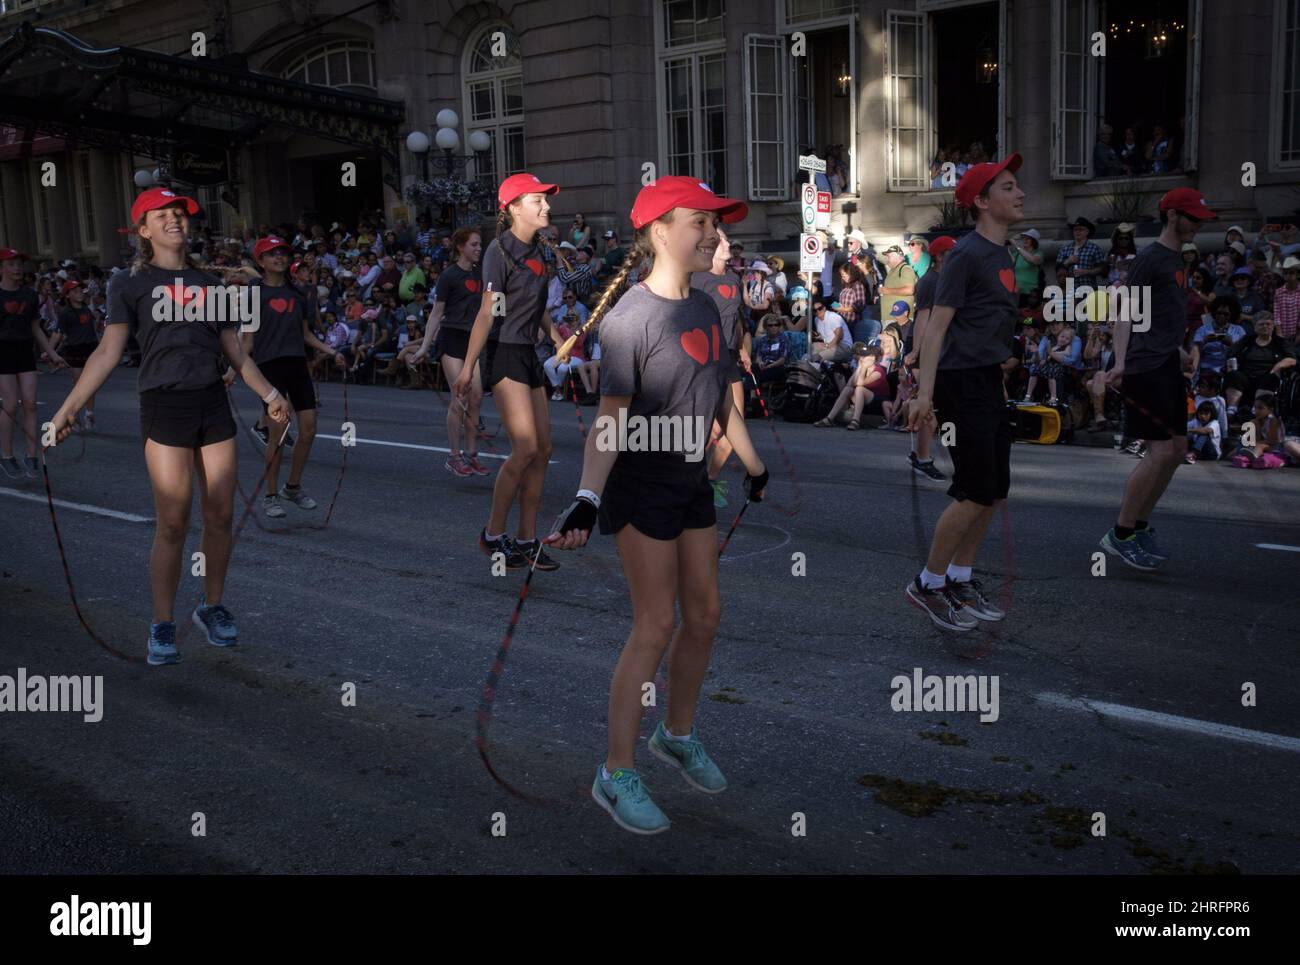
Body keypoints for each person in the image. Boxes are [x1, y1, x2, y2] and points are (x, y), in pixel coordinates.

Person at [542, 175, 767, 835]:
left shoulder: (706, 308)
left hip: (690, 479)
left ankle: (675, 733)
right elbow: (609, 424)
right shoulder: (628, 321)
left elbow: (721, 396)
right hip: (639, 484)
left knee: (706, 612)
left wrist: (748, 462)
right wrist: (586, 498)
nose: (715, 235)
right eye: (702, 222)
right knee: (655, 624)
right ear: (660, 230)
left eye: (716, 224)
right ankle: (615, 771)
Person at [48, 187, 290, 665]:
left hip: (211, 405)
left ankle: (212, 606)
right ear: (144, 229)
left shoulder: (211, 283)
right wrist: (67, 408)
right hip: (163, 405)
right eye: (163, 215)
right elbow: (107, 352)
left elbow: (235, 351)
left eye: (179, 213)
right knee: (175, 522)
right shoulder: (128, 283)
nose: (175, 219)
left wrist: (270, 394)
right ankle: (161, 622)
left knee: (219, 515)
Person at [907, 152, 1024, 631]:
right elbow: (935, 328)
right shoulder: (965, 255)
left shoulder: (1003, 253)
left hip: (986, 378)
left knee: (995, 490)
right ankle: (928, 584)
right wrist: (924, 395)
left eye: (1017, 186)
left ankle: (959, 577)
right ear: (981, 201)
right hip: (958, 380)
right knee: (974, 490)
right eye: (1008, 188)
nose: (1019, 194)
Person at [455, 173, 569, 571]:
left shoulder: (541, 250)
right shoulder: (498, 252)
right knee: (524, 449)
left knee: (544, 451)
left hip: (530, 353)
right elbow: (489, 312)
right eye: (538, 201)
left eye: (546, 200)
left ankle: (527, 540)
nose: (547, 207)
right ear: (514, 207)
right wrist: (468, 368)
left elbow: (535, 307)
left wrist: (555, 338)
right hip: (504, 353)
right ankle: (492, 534)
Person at [1101, 188, 1218, 571]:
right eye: (1194, 218)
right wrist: (1119, 362)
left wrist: (1179, 351)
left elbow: (1163, 316)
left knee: (1178, 448)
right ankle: (1120, 535)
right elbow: (1125, 313)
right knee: (1161, 451)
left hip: (1165, 361)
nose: (1199, 224)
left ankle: (1138, 526)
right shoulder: (1150, 259)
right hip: (1144, 366)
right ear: (1173, 216)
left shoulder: (1176, 259)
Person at [242, 236, 345, 519]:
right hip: (269, 367)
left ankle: (293, 487)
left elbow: (306, 335)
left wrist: (332, 351)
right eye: (272, 254)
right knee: (279, 431)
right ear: (260, 261)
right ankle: (271, 496)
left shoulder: (297, 295)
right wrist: (232, 368)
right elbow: (247, 341)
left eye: (283, 254)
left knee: (310, 428)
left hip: (297, 363)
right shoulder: (253, 294)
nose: (279, 258)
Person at [410, 228, 489, 476]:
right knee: (460, 397)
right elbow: (436, 313)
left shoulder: (483, 273)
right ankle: (454, 456)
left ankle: (471, 454)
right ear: (461, 247)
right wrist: (425, 346)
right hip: (452, 339)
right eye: (474, 245)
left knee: (476, 397)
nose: (478, 249)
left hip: (474, 341)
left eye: (479, 245)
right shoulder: (448, 276)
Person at [691, 229, 746, 508]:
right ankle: (686, 477)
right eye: (722, 239)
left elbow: (736, 319)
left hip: (729, 356)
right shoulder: (697, 279)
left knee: (736, 429)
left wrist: (744, 349)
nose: (727, 244)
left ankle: (709, 481)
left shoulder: (734, 278)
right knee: (711, 429)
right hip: (704, 358)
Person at [0, 248, 65, 478]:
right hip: (2, 352)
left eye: (19, 264)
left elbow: (35, 328)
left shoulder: (29, 295)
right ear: (2, 269)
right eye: (12, 264)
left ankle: (31, 455)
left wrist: (52, 353)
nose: (17, 268)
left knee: (30, 403)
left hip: (24, 351)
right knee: (9, 405)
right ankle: (7, 456)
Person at [903, 234, 956, 481]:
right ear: (940, 256)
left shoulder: (944, 280)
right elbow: (923, 317)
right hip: (926, 351)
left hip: (940, 351)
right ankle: (923, 458)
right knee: (930, 407)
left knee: (941, 407)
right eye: (951, 254)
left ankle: (931, 456)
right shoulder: (930, 282)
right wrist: (917, 351)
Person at [1224, 312, 1296, 418]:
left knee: (1271, 378)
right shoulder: (1247, 340)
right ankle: (1232, 409)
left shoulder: (1280, 342)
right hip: (1246, 376)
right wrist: (1230, 367)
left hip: (1268, 374)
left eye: (1268, 324)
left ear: (1273, 327)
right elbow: (1231, 354)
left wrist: (1278, 366)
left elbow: (1292, 359)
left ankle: (1258, 408)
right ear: (1254, 327)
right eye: (1261, 324)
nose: (1265, 327)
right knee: (1233, 375)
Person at [54, 279, 99, 432]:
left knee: (91, 384)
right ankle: (75, 417)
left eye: (81, 290)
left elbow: (94, 326)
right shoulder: (65, 313)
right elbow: (58, 333)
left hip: (91, 348)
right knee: (79, 385)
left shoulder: (87, 308)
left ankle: (89, 413)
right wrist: (50, 350)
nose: (79, 292)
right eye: (75, 291)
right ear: (67, 295)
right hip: (74, 350)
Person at [816, 342, 890, 430]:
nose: (862, 358)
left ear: (873, 358)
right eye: (862, 356)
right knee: (848, 389)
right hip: (863, 399)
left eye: (865, 356)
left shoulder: (878, 371)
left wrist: (863, 368)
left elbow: (859, 383)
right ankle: (830, 418)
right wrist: (859, 367)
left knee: (859, 389)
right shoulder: (863, 367)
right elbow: (850, 384)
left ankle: (855, 420)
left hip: (878, 402)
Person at [1056, 218, 1106, 282]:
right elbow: (1057, 270)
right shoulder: (1065, 249)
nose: (1078, 232)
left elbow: (1102, 269)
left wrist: (1086, 272)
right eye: (1075, 229)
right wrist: (1067, 262)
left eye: (1081, 229)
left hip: (1087, 286)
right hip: (1069, 288)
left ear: (1087, 232)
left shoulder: (1094, 249)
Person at [878, 244, 917, 316]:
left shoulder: (906, 269)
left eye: (888, 256)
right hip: (891, 318)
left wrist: (887, 290)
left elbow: (909, 290)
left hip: (899, 319)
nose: (886, 259)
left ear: (897, 257)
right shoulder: (892, 270)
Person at [810, 299, 852, 363]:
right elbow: (826, 336)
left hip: (844, 347)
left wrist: (827, 346)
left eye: (820, 308)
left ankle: (817, 368)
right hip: (831, 345)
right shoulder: (816, 319)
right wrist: (819, 337)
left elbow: (839, 336)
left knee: (818, 357)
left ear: (824, 308)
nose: (817, 311)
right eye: (814, 310)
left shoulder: (832, 317)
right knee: (812, 348)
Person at [1009, 229, 1044, 306]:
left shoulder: (1038, 253)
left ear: (1034, 241)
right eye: (1023, 238)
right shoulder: (1017, 255)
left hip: (1030, 295)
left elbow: (1033, 260)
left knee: (1028, 318)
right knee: (1017, 317)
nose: (1025, 240)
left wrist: (1017, 246)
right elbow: (1008, 265)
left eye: (1028, 238)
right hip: (1016, 293)